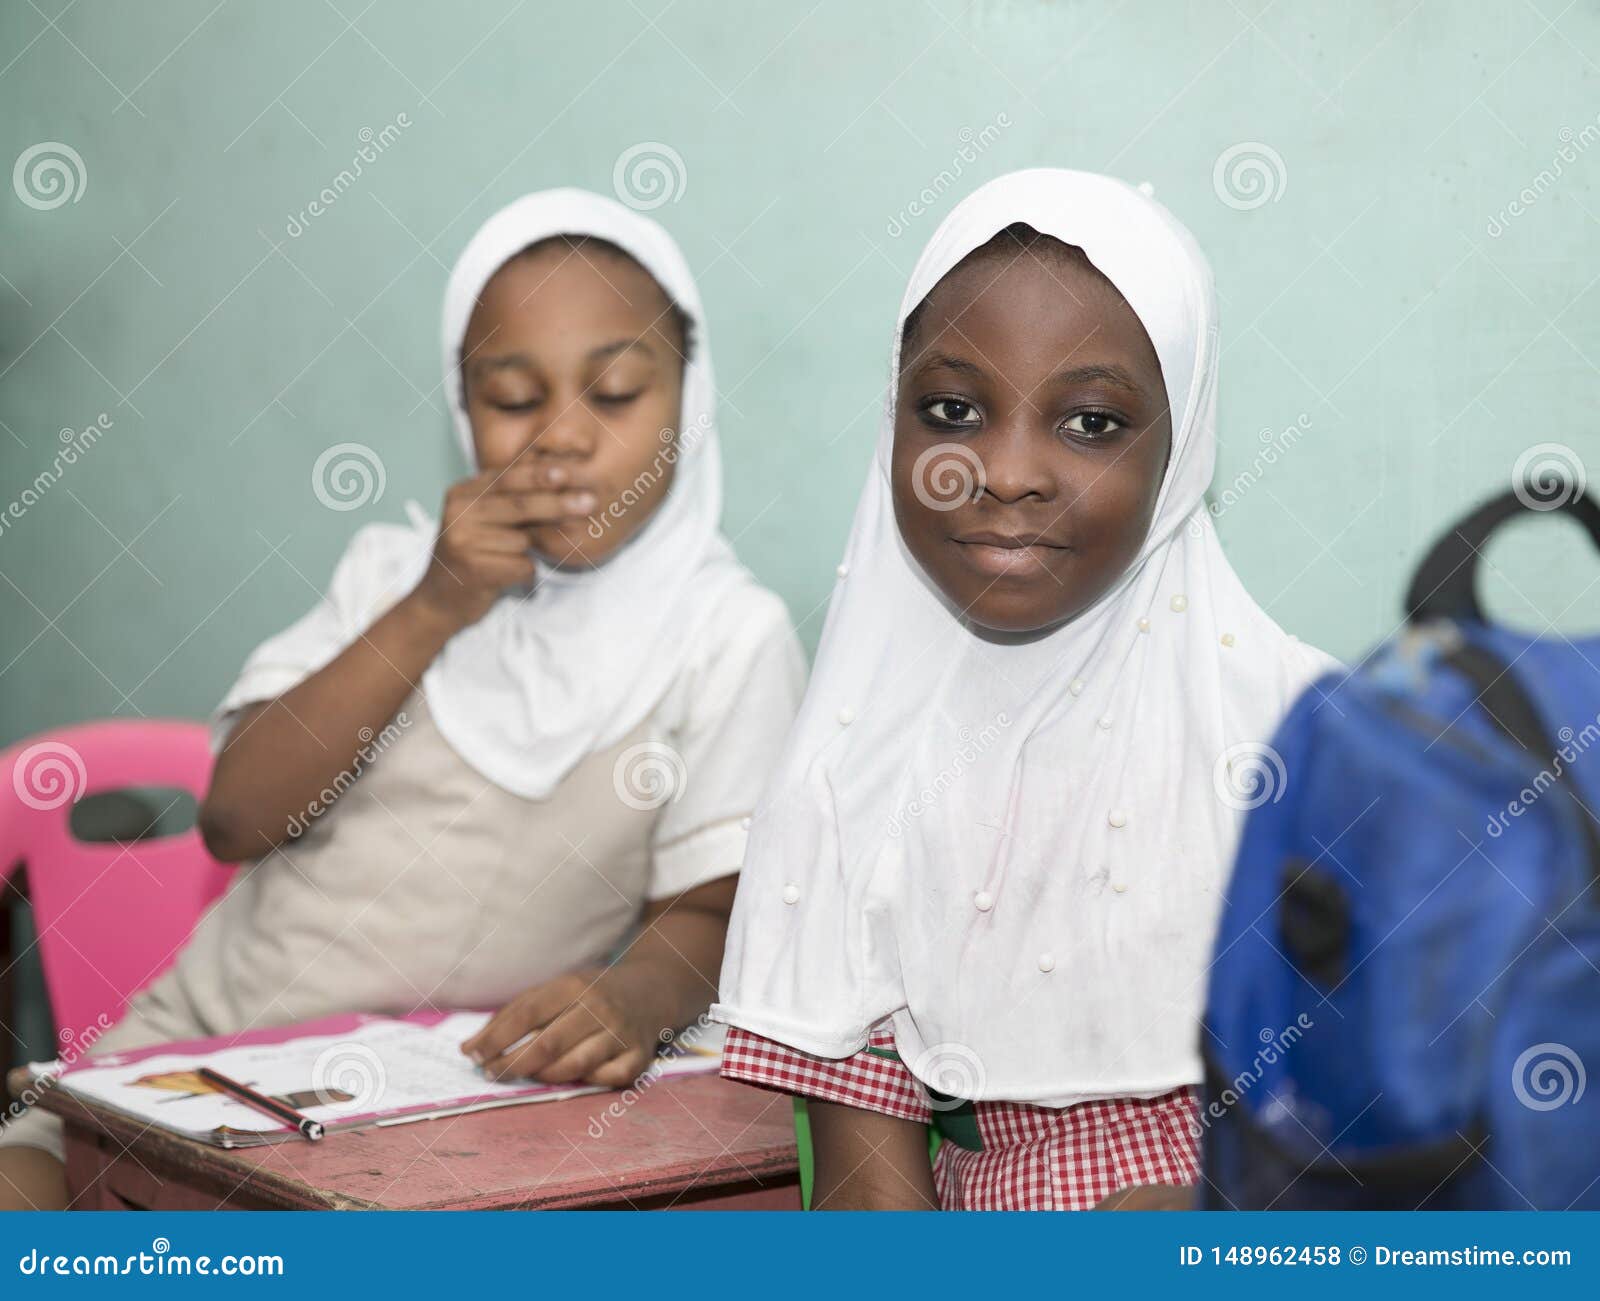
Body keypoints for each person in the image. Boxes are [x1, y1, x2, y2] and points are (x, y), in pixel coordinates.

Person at [0, 189, 804, 1209]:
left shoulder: (726, 636)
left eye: (613, 395)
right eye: (514, 399)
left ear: (688, 401)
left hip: (425, 1116)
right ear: (463, 411)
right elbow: (238, 817)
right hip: (186, 1064)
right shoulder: (391, 575)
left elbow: (711, 900)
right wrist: (436, 605)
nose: (561, 437)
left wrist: (633, 997)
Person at [712, 169, 1337, 1210]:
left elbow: (1426, 1141)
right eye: (952, 409)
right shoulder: (851, 775)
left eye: (1090, 423)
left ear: (1181, 450)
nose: (1004, 471)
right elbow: (872, 1211)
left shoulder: (1309, 743)